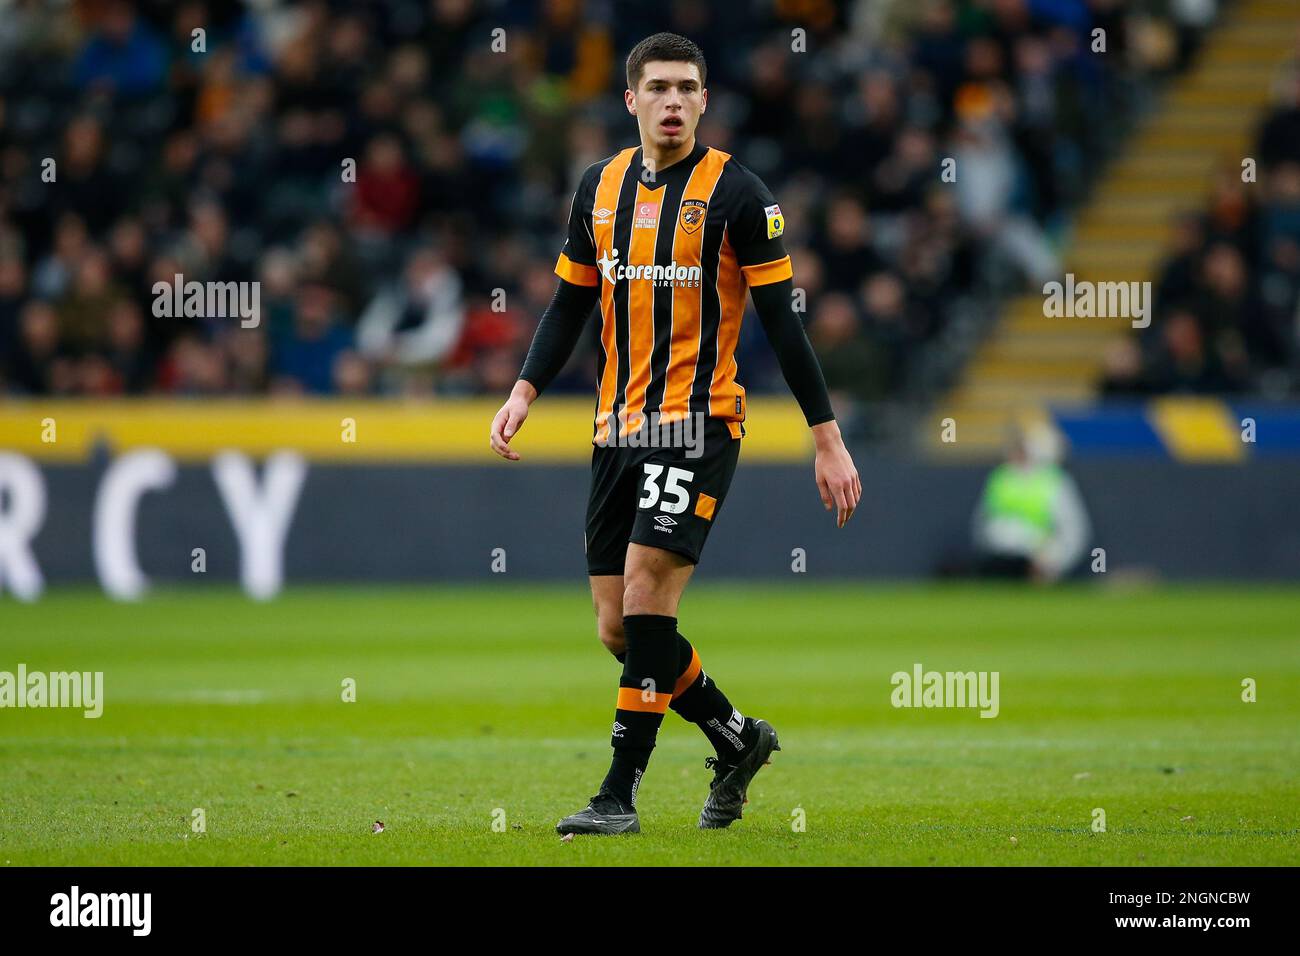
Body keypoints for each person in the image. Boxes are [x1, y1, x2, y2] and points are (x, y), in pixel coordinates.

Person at [488, 33, 860, 835]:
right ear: (630, 100)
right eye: (657, 87)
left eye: (687, 88)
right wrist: (524, 389)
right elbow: (568, 305)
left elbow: (785, 326)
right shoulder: (599, 187)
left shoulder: (738, 194)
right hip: (615, 430)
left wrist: (825, 437)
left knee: (650, 597)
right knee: (619, 628)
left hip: (697, 425)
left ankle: (617, 795)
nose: (672, 101)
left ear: (703, 101)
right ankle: (734, 737)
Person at [972, 423, 1091, 582]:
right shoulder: (1001, 477)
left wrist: (1056, 564)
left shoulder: (1055, 482)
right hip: (998, 557)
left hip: (1037, 558)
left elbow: (1074, 530)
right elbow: (982, 521)